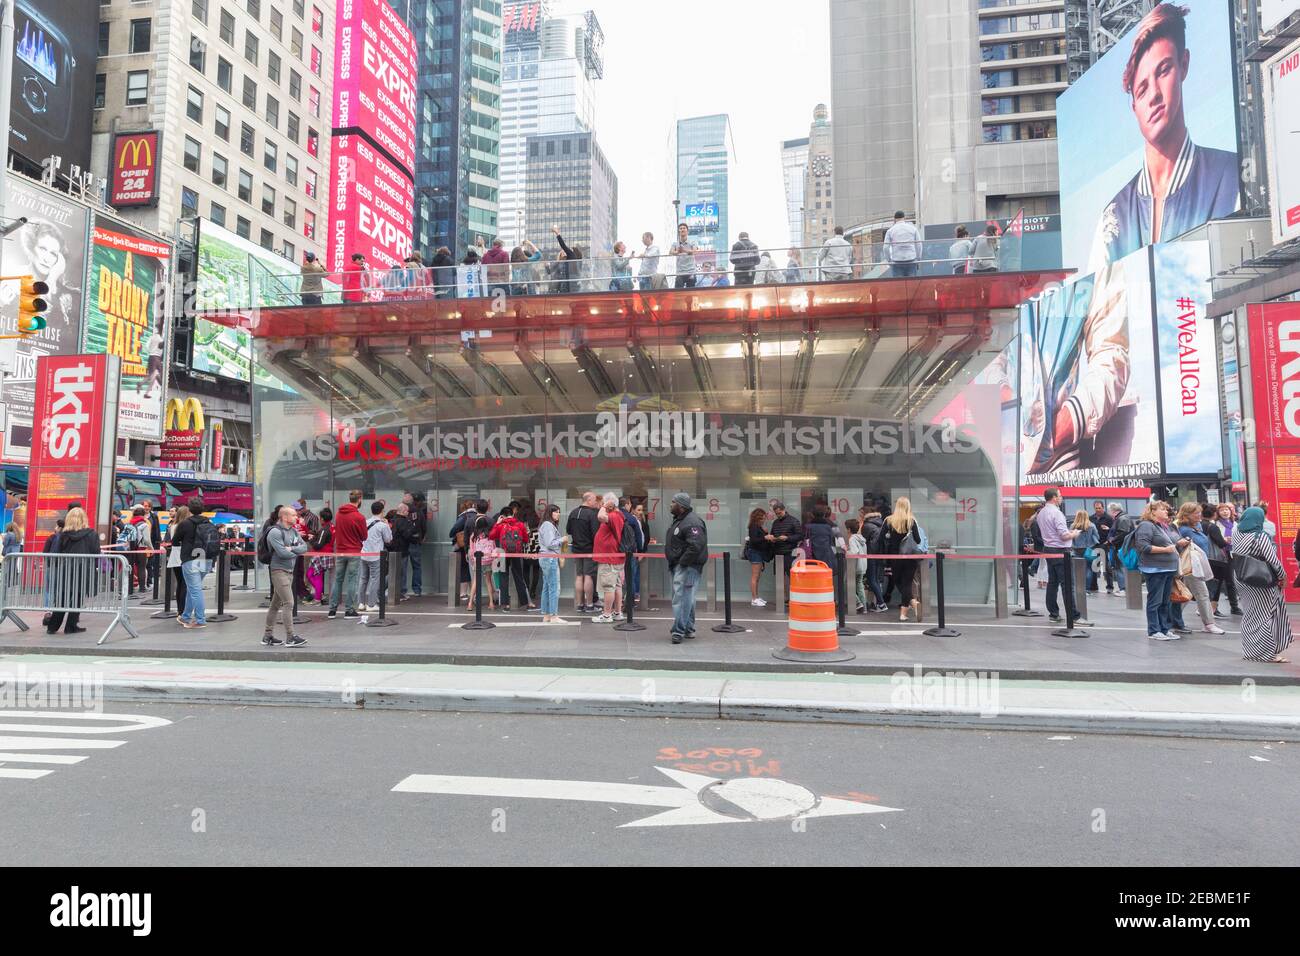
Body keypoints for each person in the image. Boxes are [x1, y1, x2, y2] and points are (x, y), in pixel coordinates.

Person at [1086, 2, 1240, 272]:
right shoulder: (1113, 217)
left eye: (1164, 70)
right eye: (1142, 89)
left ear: (1184, 64)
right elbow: (1099, 298)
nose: (1154, 95)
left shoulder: (1232, 175)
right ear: (1134, 106)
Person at [1231, 506, 1292, 663]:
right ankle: (1265, 654)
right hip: (1259, 579)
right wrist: (1283, 576)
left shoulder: (1236, 532)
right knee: (1263, 615)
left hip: (1241, 576)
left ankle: (1250, 651)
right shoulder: (1260, 536)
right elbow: (1272, 560)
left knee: (1249, 614)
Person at [1034, 488, 1093, 628]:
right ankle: (1074, 616)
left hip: (1049, 549)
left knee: (1052, 583)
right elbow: (1064, 536)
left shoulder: (1041, 513)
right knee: (1067, 584)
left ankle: (1053, 614)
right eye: (1060, 495)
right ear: (1054, 497)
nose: (1061, 498)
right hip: (1060, 551)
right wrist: (1074, 534)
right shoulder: (1057, 513)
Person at [1134, 500, 1187, 641]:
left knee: (1165, 601)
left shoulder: (1162, 526)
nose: (1166, 511)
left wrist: (1177, 545)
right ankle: (1154, 630)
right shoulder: (1146, 525)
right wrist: (1166, 550)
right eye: (1162, 509)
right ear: (1153, 511)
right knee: (1155, 601)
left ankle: (1164, 629)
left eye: (1165, 509)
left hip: (1167, 568)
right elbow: (1143, 546)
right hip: (1155, 569)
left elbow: (1170, 545)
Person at [44, 507, 99, 635]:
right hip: (84, 569)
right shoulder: (92, 534)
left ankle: (52, 627)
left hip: (66, 570)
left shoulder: (63, 535)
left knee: (62, 598)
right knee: (78, 597)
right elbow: (96, 552)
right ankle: (71, 626)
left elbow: (57, 552)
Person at [1173, 502, 1226, 635]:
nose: (1199, 515)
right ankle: (1209, 624)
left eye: (1199, 512)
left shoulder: (1196, 527)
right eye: (1196, 513)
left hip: (1196, 566)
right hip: (1191, 567)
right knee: (1202, 595)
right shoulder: (1184, 530)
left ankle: (1171, 620)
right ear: (1187, 515)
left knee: (1184, 596)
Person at [263, 505, 309, 647]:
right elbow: (282, 553)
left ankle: (267, 636)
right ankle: (290, 637)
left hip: (288, 571)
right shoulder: (275, 532)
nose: (297, 517)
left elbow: (304, 547)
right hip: (278, 571)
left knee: (275, 605)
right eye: (293, 515)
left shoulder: (293, 531)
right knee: (289, 603)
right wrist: (295, 551)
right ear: (284, 517)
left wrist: (292, 549)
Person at [666, 493, 707, 644]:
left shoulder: (691, 522)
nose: (670, 504)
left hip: (687, 566)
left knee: (682, 598)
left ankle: (678, 631)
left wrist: (682, 563)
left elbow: (695, 545)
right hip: (683, 565)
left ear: (681, 506)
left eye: (673, 502)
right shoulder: (682, 520)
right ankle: (688, 628)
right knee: (687, 598)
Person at [171, 498, 213, 629]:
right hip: (206, 558)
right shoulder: (208, 522)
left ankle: (200, 620)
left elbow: (175, 541)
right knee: (192, 588)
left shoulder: (185, 524)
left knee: (195, 590)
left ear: (189, 509)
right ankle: (185, 616)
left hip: (190, 559)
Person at [880, 496, 922, 621]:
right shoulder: (911, 521)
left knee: (899, 582)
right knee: (907, 583)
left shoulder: (889, 520)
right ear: (908, 507)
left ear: (897, 506)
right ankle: (910, 607)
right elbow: (918, 540)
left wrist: (890, 538)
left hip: (895, 557)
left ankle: (908, 608)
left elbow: (881, 537)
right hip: (910, 557)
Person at [330, 497, 368, 618]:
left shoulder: (338, 514)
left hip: (340, 551)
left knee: (338, 579)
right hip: (354, 551)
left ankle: (332, 609)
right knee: (352, 580)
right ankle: (349, 609)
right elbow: (364, 536)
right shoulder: (359, 517)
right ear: (359, 499)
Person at [591, 493, 627, 624]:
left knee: (608, 587)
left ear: (610, 505)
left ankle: (607, 615)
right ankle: (617, 612)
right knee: (616, 586)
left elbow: (600, 516)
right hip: (613, 557)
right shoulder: (617, 515)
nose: (602, 506)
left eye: (604, 504)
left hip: (609, 558)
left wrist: (605, 506)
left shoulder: (613, 515)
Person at [488, 504, 531, 611]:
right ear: (513, 514)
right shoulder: (520, 524)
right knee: (518, 577)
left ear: (502, 516)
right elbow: (526, 539)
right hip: (516, 553)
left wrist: (497, 523)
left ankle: (505, 604)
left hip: (503, 553)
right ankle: (524, 602)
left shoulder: (501, 525)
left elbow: (491, 536)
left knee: (504, 577)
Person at [566, 492, 601, 613]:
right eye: (594, 500)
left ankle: (580, 604)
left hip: (576, 549)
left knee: (579, 576)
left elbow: (569, 530)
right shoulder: (592, 514)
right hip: (589, 550)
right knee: (588, 576)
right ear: (589, 500)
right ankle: (590, 605)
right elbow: (596, 534)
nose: (595, 502)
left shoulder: (573, 513)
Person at [357, 501, 392, 613]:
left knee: (363, 579)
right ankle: (371, 604)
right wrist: (387, 525)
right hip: (375, 556)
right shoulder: (383, 525)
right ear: (382, 511)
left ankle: (361, 603)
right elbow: (388, 539)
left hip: (364, 554)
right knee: (374, 580)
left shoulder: (365, 522)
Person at [1207, 502, 1240, 615]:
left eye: (1227, 509)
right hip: (1219, 556)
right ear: (1218, 513)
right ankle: (1213, 608)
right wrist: (1225, 540)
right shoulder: (1215, 524)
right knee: (1217, 581)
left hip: (1231, 554)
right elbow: (1217, 541)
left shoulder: (1235, 524)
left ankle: (1234, 607)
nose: (1225, 512)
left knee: (1231, 581)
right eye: (1222, 510)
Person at [537, 504, 567, 623]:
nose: (558, 514)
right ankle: (553, 615)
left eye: (559, 512)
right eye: (556, 512)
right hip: (550, 558)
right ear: (550, 513)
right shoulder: (548, 525)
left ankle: (546, 615)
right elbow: (550, 543)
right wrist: (562, 539)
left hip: (546, 558)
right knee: (554, 587)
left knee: (547, 587)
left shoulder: (545, 524)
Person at [449, 499, 483, 602]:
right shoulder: (479, 516)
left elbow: (452, 531)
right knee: (474, 570)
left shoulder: (464, 517)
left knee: (464, 569)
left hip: (464, 546)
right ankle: (475, 594)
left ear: (463, 508)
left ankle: (463, 593)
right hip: (478, 547)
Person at [767, 500, 802, 597]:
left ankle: (794, 597)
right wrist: (772, 538)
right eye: (776, 514)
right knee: (779, 577)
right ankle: (783, 598)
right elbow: (773, 534)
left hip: (790, 553)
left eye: (779, 513)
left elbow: (800, 536)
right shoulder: (775, 522)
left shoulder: (794, 521)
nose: (778, 515)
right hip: (778, 553)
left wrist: (787, 538)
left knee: (792, 576)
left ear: (784, 510)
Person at [465, 514, 497, 610]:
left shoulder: (473, 536)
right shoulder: (490, 535)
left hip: (478, 561)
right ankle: (491, 603)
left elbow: (472, 551)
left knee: (475, 582)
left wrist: (473, 560)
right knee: (488, 581)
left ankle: (470, 604)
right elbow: (494, 548)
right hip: (488, 560)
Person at [860, 506, 887, 611]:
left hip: (871, 555)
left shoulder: (866, 525)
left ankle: (881, 603)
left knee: (871, 580)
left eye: (861, 514)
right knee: (875, 580)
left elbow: (862, 540)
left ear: (865, 514)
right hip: (879, 554)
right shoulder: (879, 523)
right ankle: (878, 604)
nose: (860, 516)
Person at [387, 504, 416, 599]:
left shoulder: (392, 520)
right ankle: (401, 593)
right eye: (407, 511)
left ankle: (391, 591)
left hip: (391, 550)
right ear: (403, 511)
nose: (408, 513)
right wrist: (415, 536)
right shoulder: (403, 521)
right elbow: (407, 535)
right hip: (402, 550)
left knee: (392, 572)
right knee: (401, 572)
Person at [403, 492, 427, 596]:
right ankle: (417, 590)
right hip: (415, 541)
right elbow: (423, 526)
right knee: (416, 566)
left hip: (403, 542)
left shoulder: (402, 511)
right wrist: (422, 537)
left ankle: (402, 590)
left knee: (402, 567)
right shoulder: (418, 512)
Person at [745, 508, 771, 607]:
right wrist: (765, 537)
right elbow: (754, 540)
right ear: (758, 518)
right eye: (762, 518)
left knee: (757, 576)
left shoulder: (758, 527)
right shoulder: (753, 527)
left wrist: (765, 533)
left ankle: (756, 597)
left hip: (758, 552)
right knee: (755, 576)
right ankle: (754, 598)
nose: (764, 520)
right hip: (755, 552)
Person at [884, 211, 923, 277]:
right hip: (911, 260)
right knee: (911, 282)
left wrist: (889, 261)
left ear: (894, 219)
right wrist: (918, 259)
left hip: (896, 261)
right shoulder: (913, 229)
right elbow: (919, 245)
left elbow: (885, 247)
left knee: (899, 283)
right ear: (904, 218)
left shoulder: (890, 231)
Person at [1071, 510, 1100, 594]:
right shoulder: (1091, 525)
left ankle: (1078, 588)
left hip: (1076, 549)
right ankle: (1087, 590)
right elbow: (1097, 536)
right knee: (1089, 569)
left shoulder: (1073, 526)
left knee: (1077, 570)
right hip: (1089, 549)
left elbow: (1071, 538)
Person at [1088, 501, 1114, 593]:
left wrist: (1108, 541)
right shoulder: (1091, 518)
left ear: (1103, 508)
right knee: (1094, 566)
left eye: (1099, 508)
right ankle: (1094, 586)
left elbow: (1113, 531)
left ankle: (1110, 587)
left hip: (1105, 544)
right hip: (1094, 545)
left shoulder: (1109, 518)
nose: (1098, 510)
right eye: (1096, 508)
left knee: (1106, 566)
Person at [1108, 504, 1134, 594]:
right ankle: (1124, 588)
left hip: (1121, 547)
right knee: (1121, 567)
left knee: (1120, 567)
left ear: (1114, 511)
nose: (1109, 514)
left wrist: (1112, 540)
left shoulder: (1122, 519)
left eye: (1110, 511)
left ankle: (1123, 589)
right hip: (1122, 547)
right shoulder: (1122, 518)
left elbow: (1123, 533)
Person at [631, 501, 653, 608]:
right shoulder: (631, 522)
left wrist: (642, 552)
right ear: (633, 510)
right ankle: (633, 596)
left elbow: (646, 538)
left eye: (642, 510)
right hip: (633, 552)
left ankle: (637, 595)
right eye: (638, 510)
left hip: (640, 552)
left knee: (637, 574)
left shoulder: (644, 523)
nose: (640, 512)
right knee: (633, 574)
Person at [847, 518, 870, 614]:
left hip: (855, 566)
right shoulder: (861, 538)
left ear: (849, 529)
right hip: (863, 565)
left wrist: (847, 552)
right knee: (860, 586)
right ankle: (864, 607)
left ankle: (858, 602)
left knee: (848, 584)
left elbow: (854, 552)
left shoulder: (852, 539)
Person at [551, 226, 583, 294]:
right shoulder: (573, 262)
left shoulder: (572, 256)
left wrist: (557, 233)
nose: (567, 250)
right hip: (571, 286)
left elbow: (563, 246)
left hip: (570, 287)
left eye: (570, 249)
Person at [669, 223, 696, 289]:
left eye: (684, 228)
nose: (682, 230)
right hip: (680, 272)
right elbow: (670, 252)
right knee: (678, 291)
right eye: (680, 228)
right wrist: (677, 252)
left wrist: (684, 250)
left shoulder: (692, 242)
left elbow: (694, 251)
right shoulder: (675, 243)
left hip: (691, 271)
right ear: (679, 231)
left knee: (691, 292)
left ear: (687, 231)